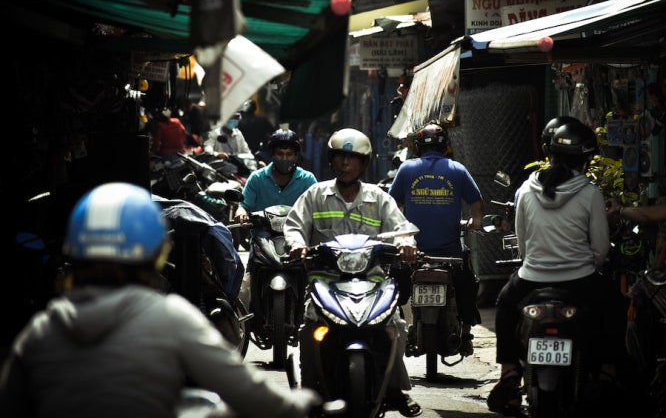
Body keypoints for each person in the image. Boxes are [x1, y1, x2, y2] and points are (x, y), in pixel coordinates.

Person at [0, 182, 320, 418]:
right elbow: (248, 393)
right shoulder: (169, 319)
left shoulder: (41, 332)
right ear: (156, 251)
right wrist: (300, 404)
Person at [487, 120, 628, 416]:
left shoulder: (526, 189)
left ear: (550, 154)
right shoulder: (590, 193)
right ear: (585, 159)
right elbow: (600, 249)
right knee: (616, 304)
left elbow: (523, 246)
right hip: (581, 280)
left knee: (503, 303)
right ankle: (608, 371)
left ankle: (509, 371)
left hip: (531, 279)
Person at [284, 128, 422, 417]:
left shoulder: (379, 198)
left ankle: (395, 389)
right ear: (331, 161)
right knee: (310, 328)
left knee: (395, 324)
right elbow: (294, 225)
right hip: (326, 282)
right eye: (340, 157)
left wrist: (406, 243)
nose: (345, 163)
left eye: (353, 158)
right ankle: (309, 391)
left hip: (372, 282)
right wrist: (297, 244)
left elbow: (401, 228)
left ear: (364, 163)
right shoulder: (315, 194)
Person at [388, 121, 484, 355]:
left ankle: (391, 328)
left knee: (392, 285)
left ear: (418, 147)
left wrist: (401, 229)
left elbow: (390, 205)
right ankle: (466, 333)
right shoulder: (458, 169)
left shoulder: (406, 169)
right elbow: (476, 203)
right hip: (450, 253)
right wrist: (476, 222)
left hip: (412, 252)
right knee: (467, 285)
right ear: (445, 147)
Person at [234, 129, 317, 307]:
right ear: (272, 154)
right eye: (280, 154)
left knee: (317, 288)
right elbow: (244, 204)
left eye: (289, 154)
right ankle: (242, 329)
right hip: (262, 240)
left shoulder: (308, 180)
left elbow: (317, 207)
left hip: (297, 242)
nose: (284, 158)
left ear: (296, 155)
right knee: (243, 293)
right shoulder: (257, 178)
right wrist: (241, 212)